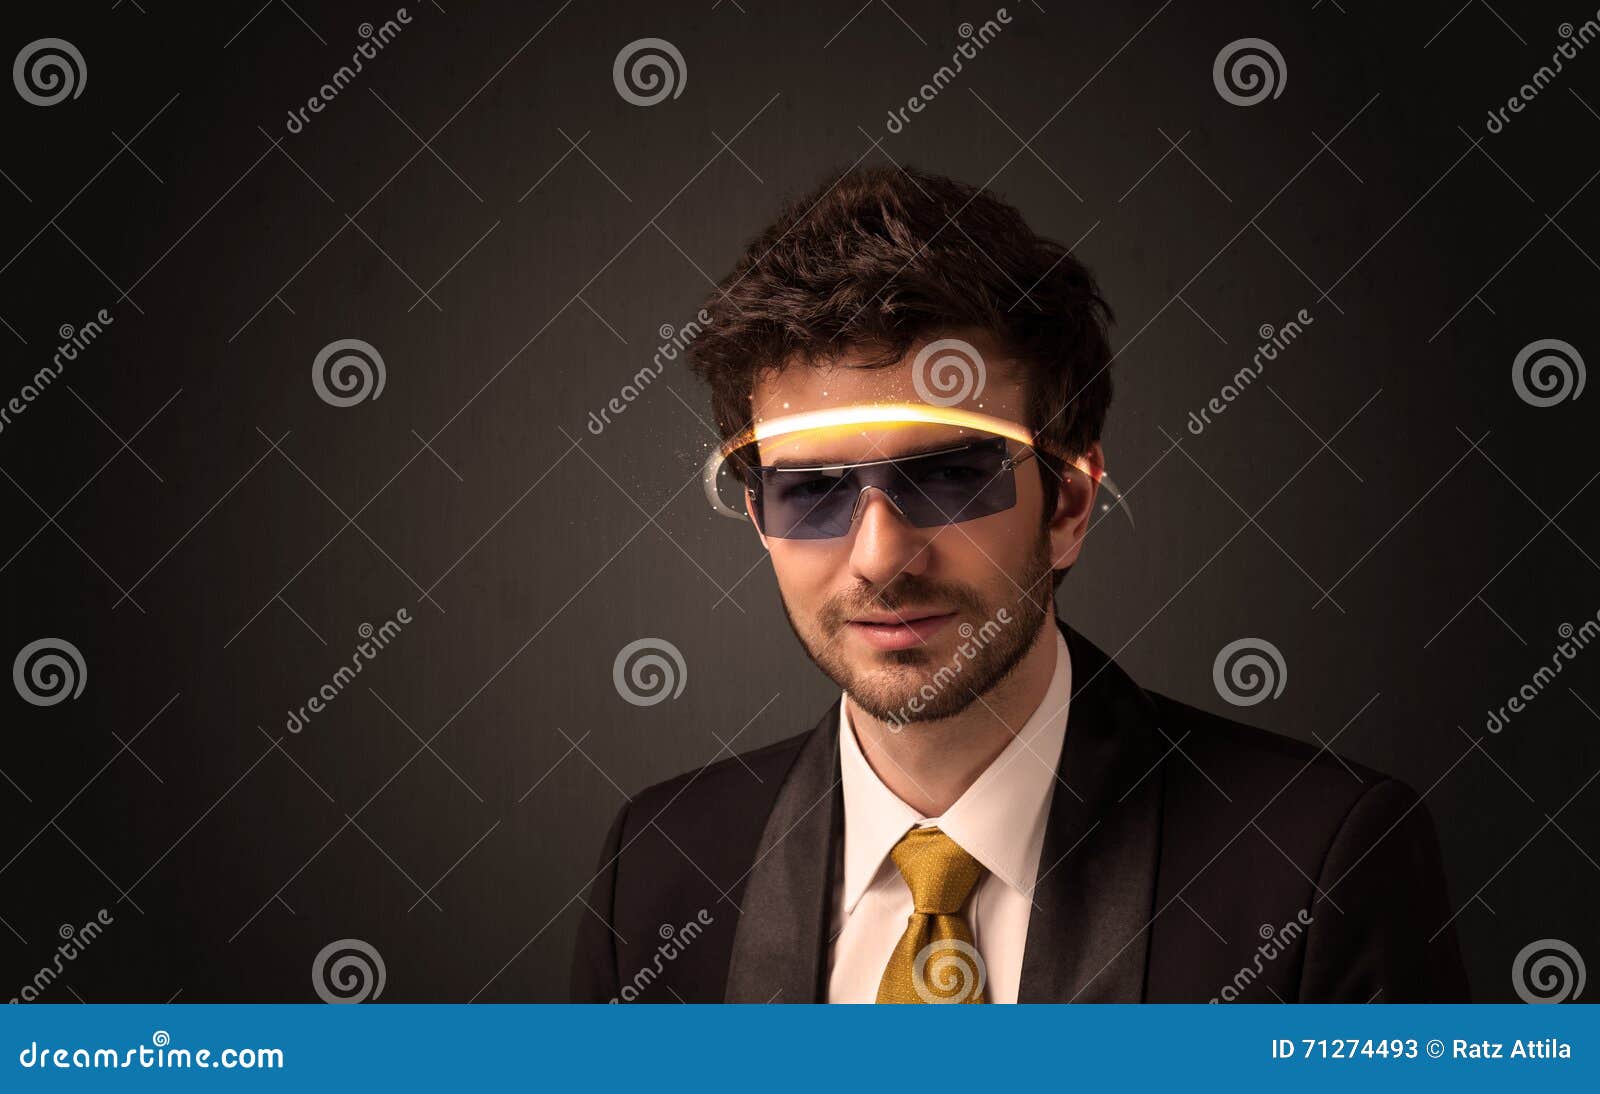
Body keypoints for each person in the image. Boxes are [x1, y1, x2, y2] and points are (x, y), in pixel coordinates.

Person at [569, 166, 1469, 1003]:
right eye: (811, 492)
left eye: (951, 476)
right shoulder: (657, 870)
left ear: (1070, 503)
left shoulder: (1318, 863)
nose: (880, 557)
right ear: (761, 514)